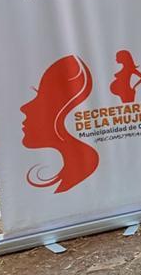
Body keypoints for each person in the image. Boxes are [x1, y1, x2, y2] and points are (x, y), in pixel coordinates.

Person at [22, 54, 100, 193]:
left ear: (64, 112)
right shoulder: (72, 171)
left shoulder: (82, 169)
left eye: (40, 97)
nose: (24, 107)